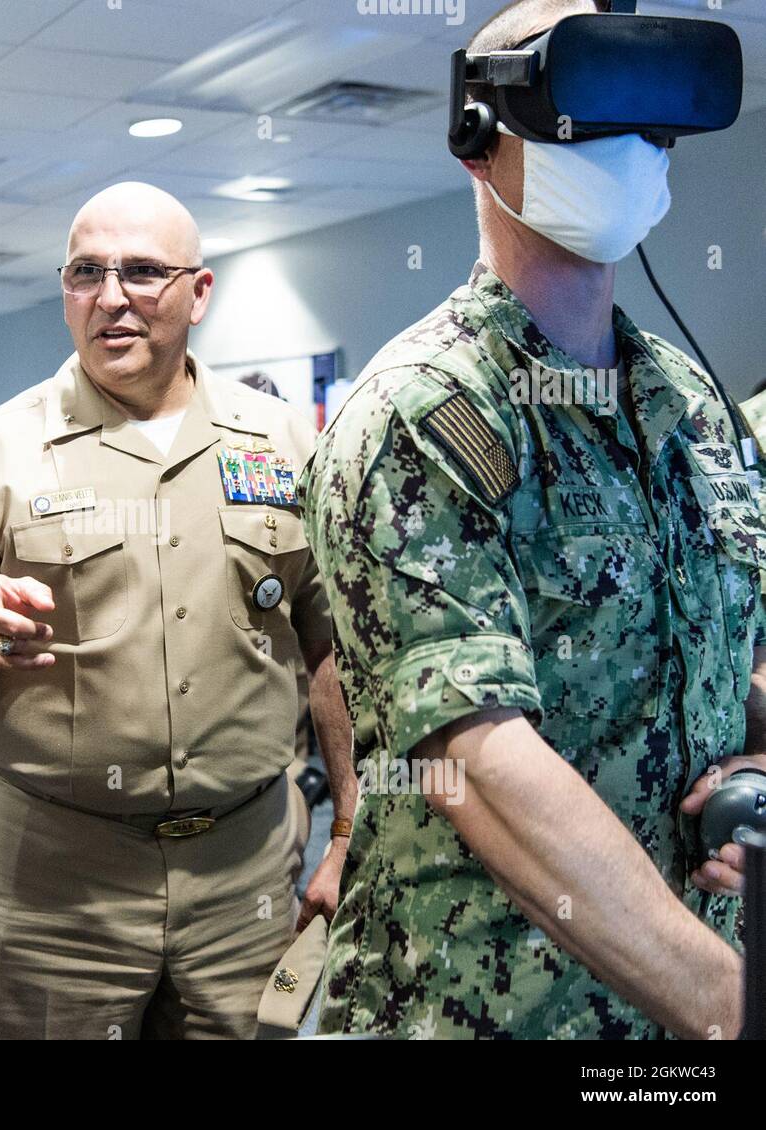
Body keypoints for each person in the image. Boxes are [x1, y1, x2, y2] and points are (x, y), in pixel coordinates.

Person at [299, 0, 766, 1039]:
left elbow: (745, 653)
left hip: (669, 1005)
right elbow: (478, 758)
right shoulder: (422, 413)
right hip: (486, 1004)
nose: (629, 148)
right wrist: (729, 1004)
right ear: (477, 137)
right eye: (588, 110)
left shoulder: (688, 405)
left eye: (652, 120)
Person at [0, 181, 355, 1040]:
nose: (111, 296)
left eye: (142, 271)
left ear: (199, 293)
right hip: (53, 900)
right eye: (86, 272)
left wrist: (351, 826)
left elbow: (334, 649)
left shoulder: (284, 444)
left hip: (244, 886)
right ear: (64, 292)